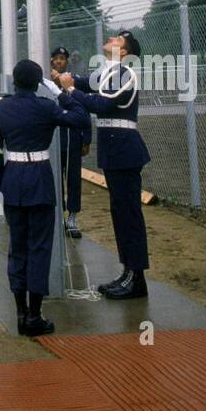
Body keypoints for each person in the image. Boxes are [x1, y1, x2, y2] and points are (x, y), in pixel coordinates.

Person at [0, 58, 91, 336]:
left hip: (12, 180)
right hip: (40, 180)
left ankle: (20, 313)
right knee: (40, 248)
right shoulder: (46, 106)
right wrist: (60, 92)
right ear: (37, 83)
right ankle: (34, 314)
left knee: (17, 247)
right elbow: (81, 117)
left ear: (14, 80)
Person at [59, 30, 149, 300]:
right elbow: (87, 83)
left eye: (116, 41)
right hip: (114, 151)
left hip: (125, 151)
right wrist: (64, 80)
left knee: (129, 216)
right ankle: (128, 273)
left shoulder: (126, 74)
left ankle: (137, 279)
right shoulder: (108, 71)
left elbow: (102, 104)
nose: (110, 40)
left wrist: (70, 88)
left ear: (124, 53)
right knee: (120, 214)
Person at [49, 45, 90, 238]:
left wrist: (86, 139)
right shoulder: (45, 83)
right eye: (55, 58)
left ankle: (72, 217)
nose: (59, 62)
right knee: (55, 178)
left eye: (62, 59)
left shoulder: (73, 83)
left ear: (67, 62)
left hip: (72, 138)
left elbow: (84, 111)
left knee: (73, 179)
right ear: (50, 61)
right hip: (52, 139)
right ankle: (57, 214)